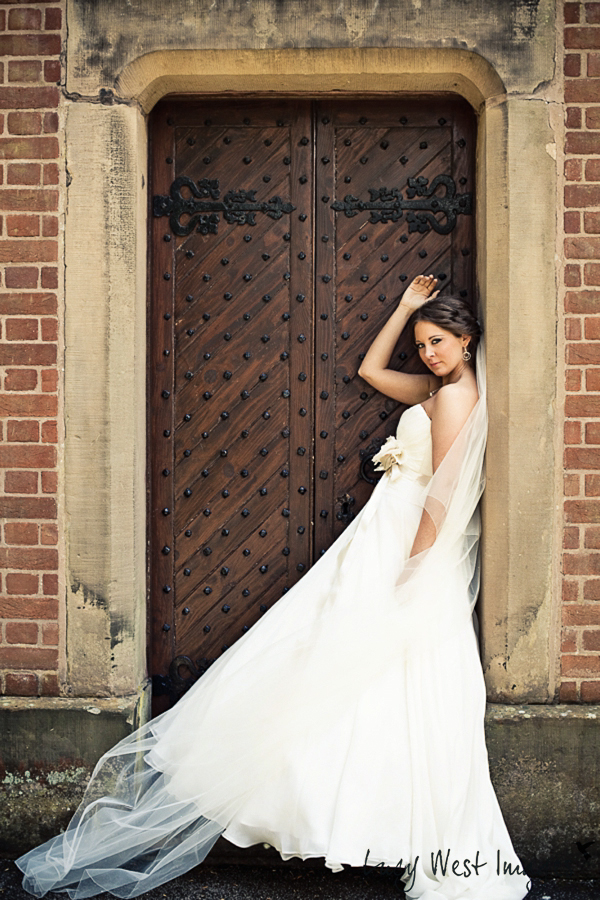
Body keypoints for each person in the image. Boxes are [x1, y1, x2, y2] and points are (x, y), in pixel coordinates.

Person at [16, 275, 532, 900]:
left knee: (370, 671)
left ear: (466, 340)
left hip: (407, 547)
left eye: (438, 342)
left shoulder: (454, 399)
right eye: (422, 344)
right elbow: (371, 371)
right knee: (356, 665)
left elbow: (443, 495)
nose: (427, 354)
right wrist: (403, 309)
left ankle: (360, 815)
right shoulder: (440, 390)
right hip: (387, 536)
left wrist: (413, 565)